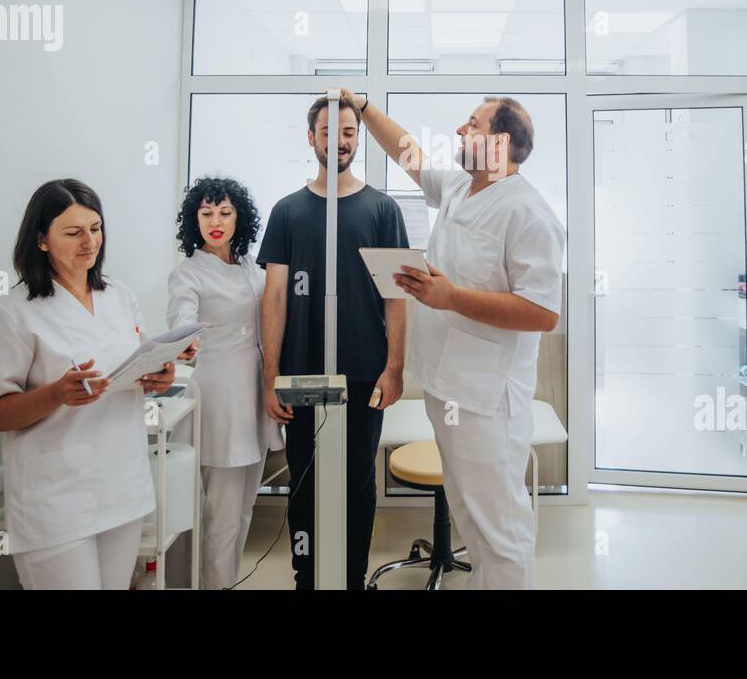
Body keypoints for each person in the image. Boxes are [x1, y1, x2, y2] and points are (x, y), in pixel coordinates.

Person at [340, 89, 564, 590]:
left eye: (472, 123)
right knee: (471, 519)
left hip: (487, 401)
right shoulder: (463, 186)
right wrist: (363, 107)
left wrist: (451, 297)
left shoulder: (530, 214)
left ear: (500, 140)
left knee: (499, 531)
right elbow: (408, 155)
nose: (461, 131)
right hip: (446, 386)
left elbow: (544, 312)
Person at [0, 179, 187, 590]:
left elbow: (136, 368)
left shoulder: (119, 297)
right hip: (56, 502)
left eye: (95, 228)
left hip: (121, 486)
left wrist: (159, 378)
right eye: (73, 233)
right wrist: (56, 394)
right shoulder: (10, 315)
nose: (89, 242)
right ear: (41, 241)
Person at [257, 94, 409, 589]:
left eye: (348, 133)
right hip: (302, 373)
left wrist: (394, 368)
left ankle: (351, 577)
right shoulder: (287, 212)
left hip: (363, 370)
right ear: (311, 138)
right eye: (329, 132)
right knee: (304, 481)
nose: (340, 142)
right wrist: (270, 378)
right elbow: (275, 299)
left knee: (358, 482)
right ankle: (308, 576)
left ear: (357, 138)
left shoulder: (382, 209)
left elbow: (395, 298)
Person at [167, 176, 283, 590]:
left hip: (255, 391)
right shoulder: (189, 274)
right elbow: (183, 321)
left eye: (225, 212)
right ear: (193, 219)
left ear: (240, 218)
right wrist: (184, 343)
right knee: (222, 517)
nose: (215, 221)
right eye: (206, 213)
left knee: (243, 512)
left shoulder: (250, 265)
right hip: (221, 398)